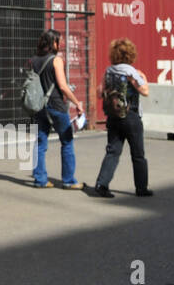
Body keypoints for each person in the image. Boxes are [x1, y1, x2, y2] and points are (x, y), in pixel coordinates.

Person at [94, 37, 153, 198]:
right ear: (130, 54)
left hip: (113, 117)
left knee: (112, 152)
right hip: (131, 116)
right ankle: (141, 188)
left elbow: (99, 93)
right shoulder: (131, 71)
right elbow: (145, 91)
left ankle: (101, 184)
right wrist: (143, 77)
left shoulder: (108, 71)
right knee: (138, 154)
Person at [30, 28, 86, 190]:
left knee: (40, 142)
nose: (60, 43)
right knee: (67, 141)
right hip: (56, 106)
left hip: (39, 106)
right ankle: (69, 180)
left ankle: (40, 179)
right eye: (58, 41)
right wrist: (77, 103)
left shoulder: (33, 60)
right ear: (53, 43)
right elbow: (63, 86)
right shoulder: (56, 60)